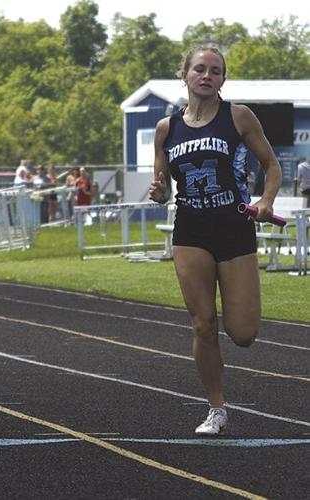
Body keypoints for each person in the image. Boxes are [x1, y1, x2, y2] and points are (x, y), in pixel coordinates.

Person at [148, 46, 282, 435]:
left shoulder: (238, 116)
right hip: (191, 231)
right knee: (203, 324)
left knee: (243, 333)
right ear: (185, 75)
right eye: (200, 69)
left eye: (215, 71)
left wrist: (266, 200)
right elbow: (163, 189)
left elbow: (271, 165)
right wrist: (159, 193)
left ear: (223, 78)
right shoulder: (166, 128)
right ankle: (216, 408)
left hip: (234, 228)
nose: (207, 76)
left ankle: (239, 310)